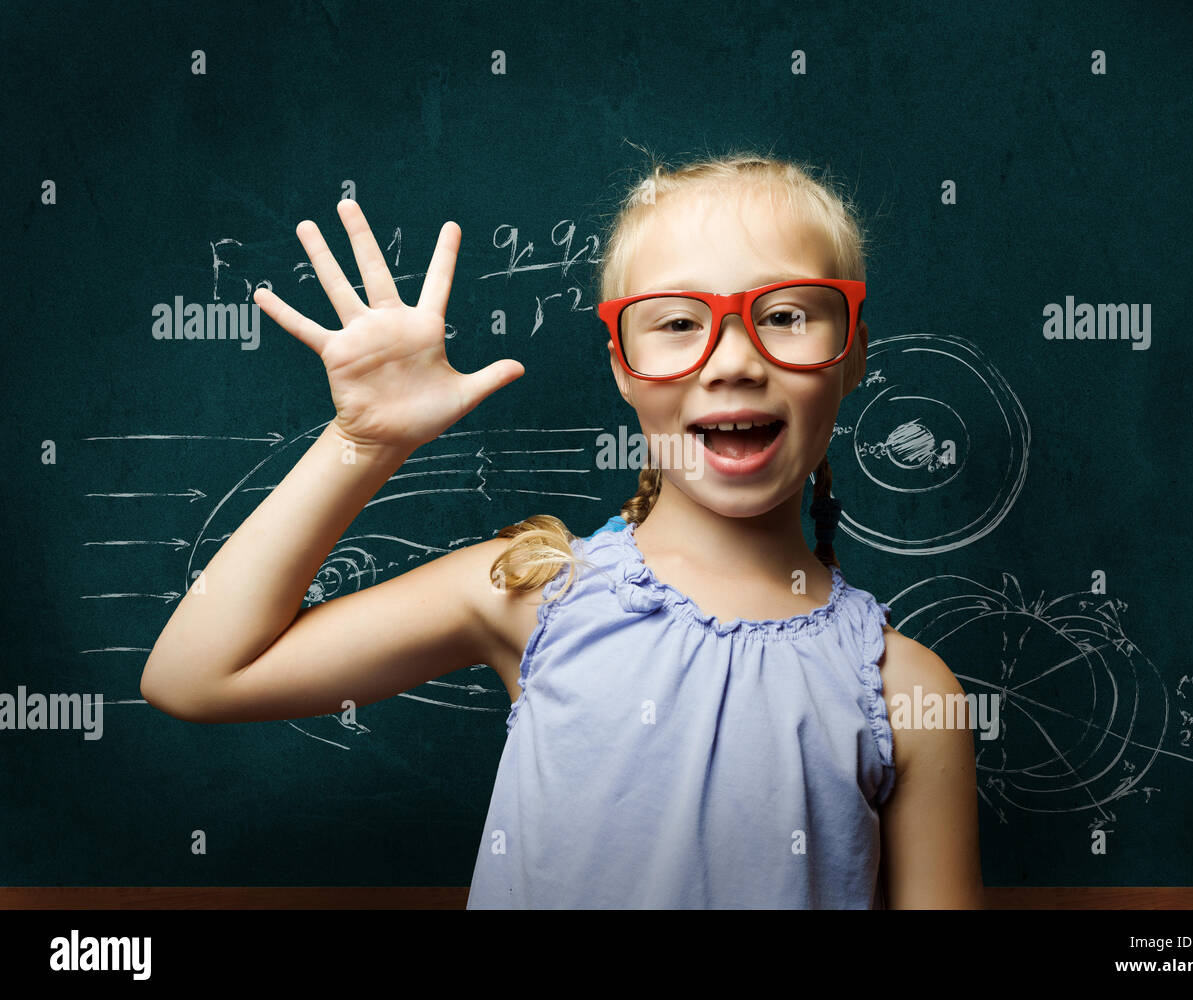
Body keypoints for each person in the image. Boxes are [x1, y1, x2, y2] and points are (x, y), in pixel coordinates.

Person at [140, 151, 982, 909]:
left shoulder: (910, 692)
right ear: (622, 365)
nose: (733, 359)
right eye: (679, 322)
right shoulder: (535, 589)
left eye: (790, 314)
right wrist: (363, 442)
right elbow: (196, 676)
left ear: (856, 353)